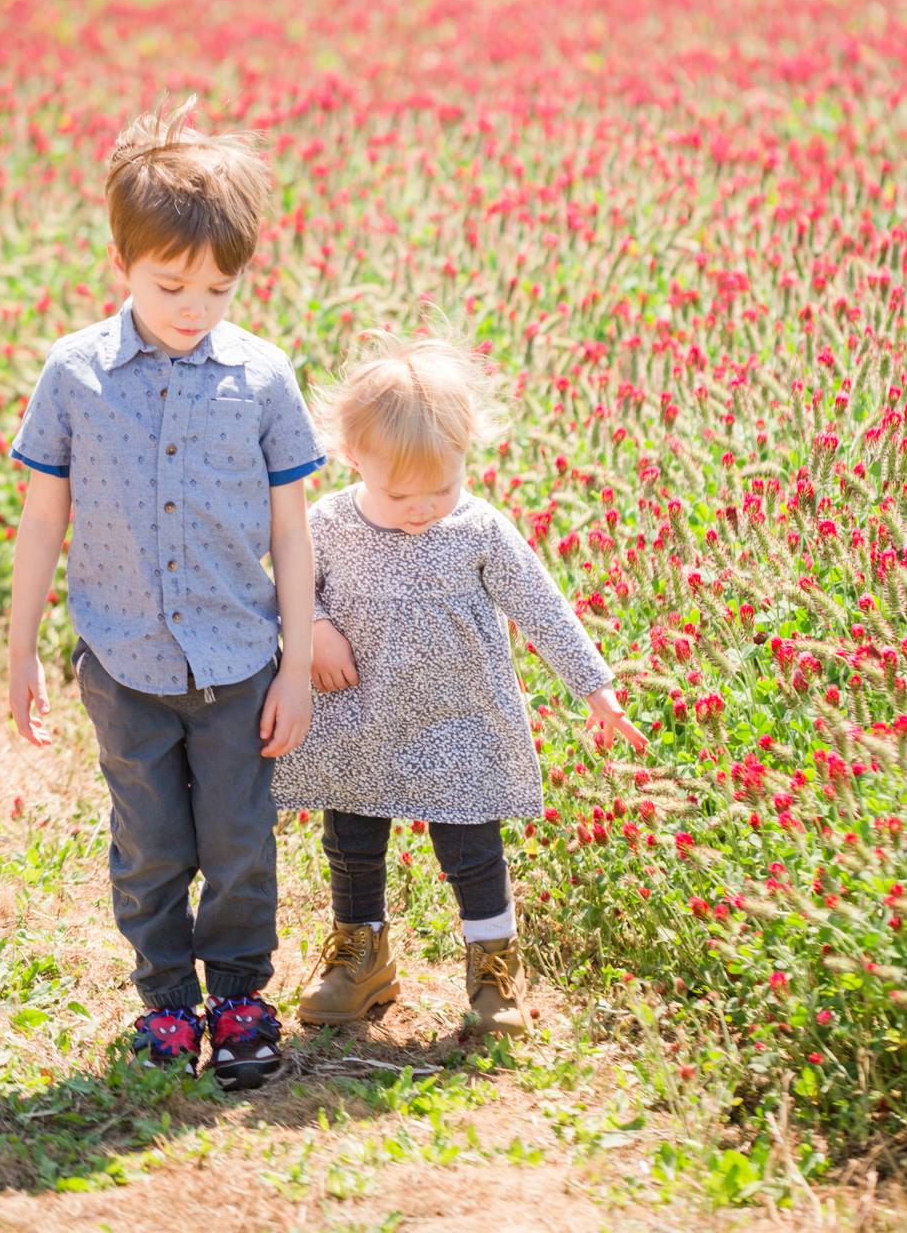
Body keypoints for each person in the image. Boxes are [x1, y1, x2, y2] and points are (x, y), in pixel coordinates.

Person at [5, 99, 322, 1089]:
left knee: (237, 841)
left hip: (239, 661)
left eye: (216, 288)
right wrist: (18, 651)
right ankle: (167, 1005)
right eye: (169, 282)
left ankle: (238, 997)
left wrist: (300, 662)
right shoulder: (75, 373)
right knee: (148, 846)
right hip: (124, 660)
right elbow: (43, 519)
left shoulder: (264, 376)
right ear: (122, 264)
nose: (193, 305)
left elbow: (293, 529)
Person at [273, 328, 647, 1036]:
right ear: (353, 459)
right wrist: (314, 628)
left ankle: (492, 970)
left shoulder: (478, 530)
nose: (422, 506)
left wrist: (594, 687)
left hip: (460, 716)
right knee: (351, 840)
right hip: (358, 715)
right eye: (400, 492)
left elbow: (541, 605)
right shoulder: (324, 525)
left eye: (442, 486)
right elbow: (287, 588)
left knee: (471, 848)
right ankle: (361, 956)